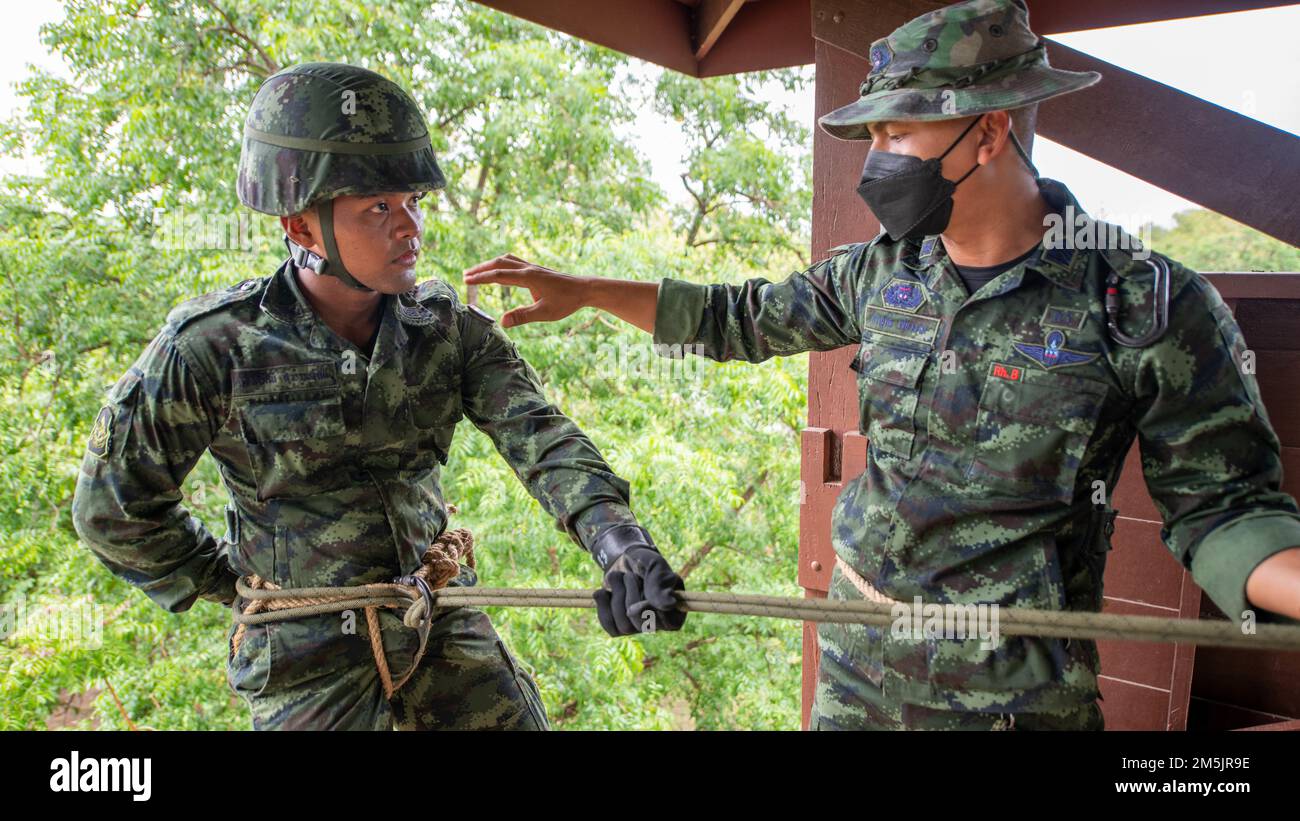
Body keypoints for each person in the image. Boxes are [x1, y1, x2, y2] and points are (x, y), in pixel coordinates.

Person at [462, 0, 1300, 730]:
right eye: (872, 134)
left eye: (898, 130)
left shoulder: (1142, 303)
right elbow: (737, 318)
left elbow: (1225, 509)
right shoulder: (882, 271)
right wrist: (587, 290)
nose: (877, 159)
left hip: (1011, 701)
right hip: (859, 672)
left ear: (991, 130)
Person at [71, 62, 685, 731]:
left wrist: (620, 543)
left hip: (439, 627)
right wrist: (230, 580)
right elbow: (112, 508)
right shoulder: (216, 347)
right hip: (306, 662)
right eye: (379, 208)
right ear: (302, 228)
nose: (411, 227)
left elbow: (544, 441)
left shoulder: (445, 330)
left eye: (414, 201)